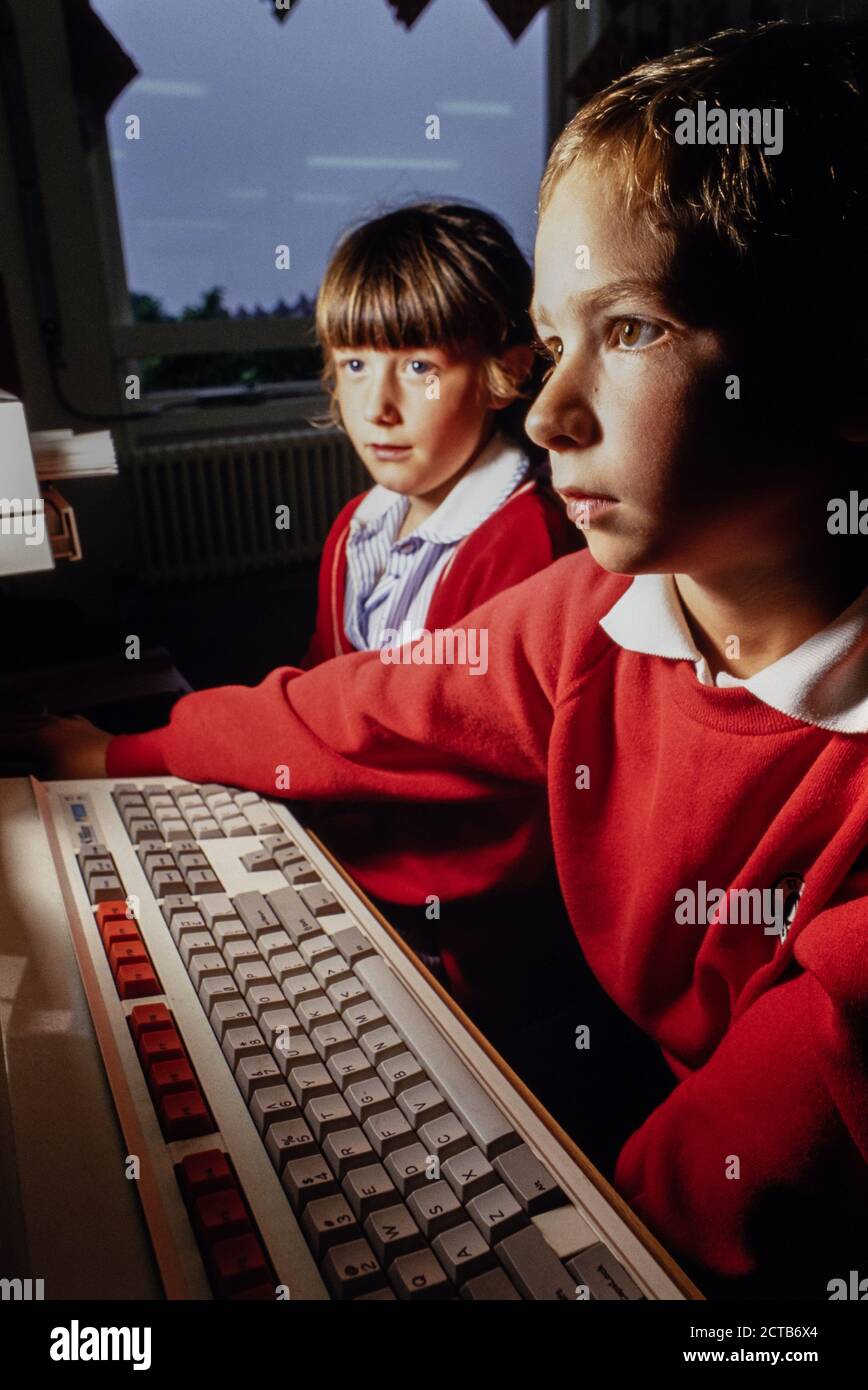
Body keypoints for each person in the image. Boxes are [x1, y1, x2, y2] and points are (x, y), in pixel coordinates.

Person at [12, 19, 868, 1298]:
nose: (544, 410)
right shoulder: (587, 613)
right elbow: (354, 712)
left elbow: (746, 1157)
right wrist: (112, 753)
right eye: (551, 333)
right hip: (661, 1068)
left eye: (627, 330)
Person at [301, 200, 579, 668]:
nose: (376, 409)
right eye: (354, 365)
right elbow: (320, 690)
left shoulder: (528, 544)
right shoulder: (353, 528)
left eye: (418, 367)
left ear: (505, 376)